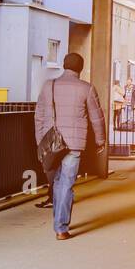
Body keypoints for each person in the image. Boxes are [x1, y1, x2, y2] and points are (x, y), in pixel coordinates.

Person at [33, 52, 104, 241]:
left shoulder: (49, 86)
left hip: (51, 144)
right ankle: (61, 227)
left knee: (56, 182)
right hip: (73, 145)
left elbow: (38, 115)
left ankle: (58, 221)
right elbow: (97, 118)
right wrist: (100, 140)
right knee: (66, 184)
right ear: (80, 68)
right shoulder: (86, 88)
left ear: (64, 65)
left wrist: (40, 140)